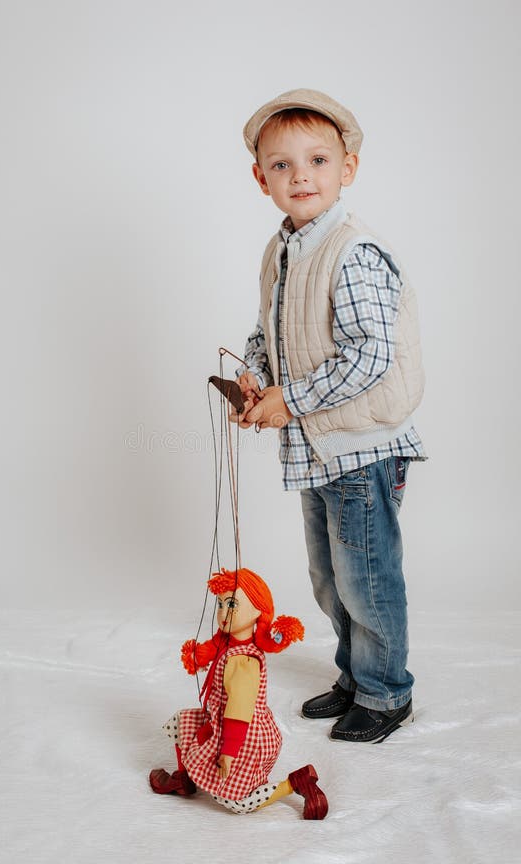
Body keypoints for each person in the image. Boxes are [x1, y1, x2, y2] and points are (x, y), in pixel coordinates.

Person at [232, 89, 426, 744]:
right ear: (262, 179)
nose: (301, 176)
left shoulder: (353, 252)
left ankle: (385, 692)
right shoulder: (282, 250)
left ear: (348, 168)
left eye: (318, 159)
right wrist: (259, 376)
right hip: (319, 447)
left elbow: (371, 354)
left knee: (367, 579)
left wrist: (293, 399)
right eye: (282, 165)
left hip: (363, 444)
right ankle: (355, 675)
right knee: (330, 576)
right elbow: (272, 330)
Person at [149, 567, 328, 819]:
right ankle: (184, 779)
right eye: (220, 604)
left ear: (257, 610)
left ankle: (295, 783)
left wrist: (229, 752)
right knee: (183, 721)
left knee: (238, 802)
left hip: (242, 736)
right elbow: (212, 653)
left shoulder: (243, 661)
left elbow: (239, 710)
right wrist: (198, 656)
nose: (223, 612)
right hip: (221, 721)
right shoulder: (227, 643)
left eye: (231, 603)